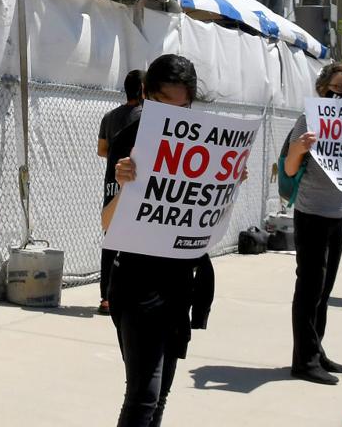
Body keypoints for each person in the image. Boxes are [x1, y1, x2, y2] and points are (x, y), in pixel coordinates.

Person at [102, 55, 215, 426]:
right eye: (166, 104)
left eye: (184, 106)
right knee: (143, 396)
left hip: (180, 281)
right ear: (148, 95)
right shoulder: (129, 138)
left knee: (161, 393)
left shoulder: (202, 138)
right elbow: (107, 224)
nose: (176, 115)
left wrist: (225, 183)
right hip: (137, 283)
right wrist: (124, 187)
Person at [282, 62, 342, 386]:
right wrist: (300, 147)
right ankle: (302, 360)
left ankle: (316, 350)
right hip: (312, 213)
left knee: (325, 288)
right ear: (323, 88)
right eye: (338, 87)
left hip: (338, 214)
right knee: (309, 287)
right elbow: (290, 170)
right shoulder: (309, 119)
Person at [98, 70, 144, 314]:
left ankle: (106, 297)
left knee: (110, 236)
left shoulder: (109, 116)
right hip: (135, 181)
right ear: (144, 90)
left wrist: (117, 162)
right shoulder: (145, 117)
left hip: (112, 181)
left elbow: (102, 150)